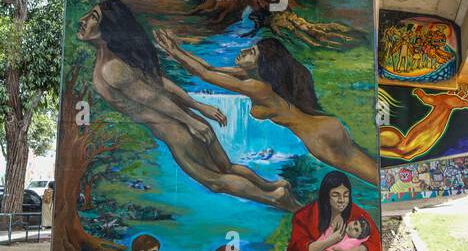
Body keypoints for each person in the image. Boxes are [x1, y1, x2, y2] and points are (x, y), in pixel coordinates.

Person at [78, 0, 293, 209]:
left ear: (108, 28)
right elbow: (161, 84)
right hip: (188, 120)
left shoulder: (111, 68)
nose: (83, 19)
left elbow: (154, 98)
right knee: (226, 167)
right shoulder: (121, 60)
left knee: (214, 181)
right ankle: (272, 185)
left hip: (178, 131)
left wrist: (191, 122)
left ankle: (274, 197)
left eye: (93, 17)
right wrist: (198, 110)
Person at [153, 31, 379, 185]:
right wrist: (176, 49)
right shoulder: (253, 77)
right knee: (372, 168)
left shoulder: (257, 87)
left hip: (320, 136)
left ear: (262, 64)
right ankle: (400, 183)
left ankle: (402, 189)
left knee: (372, 175)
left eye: (252, 52)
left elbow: (204, 75)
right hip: (322, 130)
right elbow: (208, 66)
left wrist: (172, 51)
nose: (244, 52)